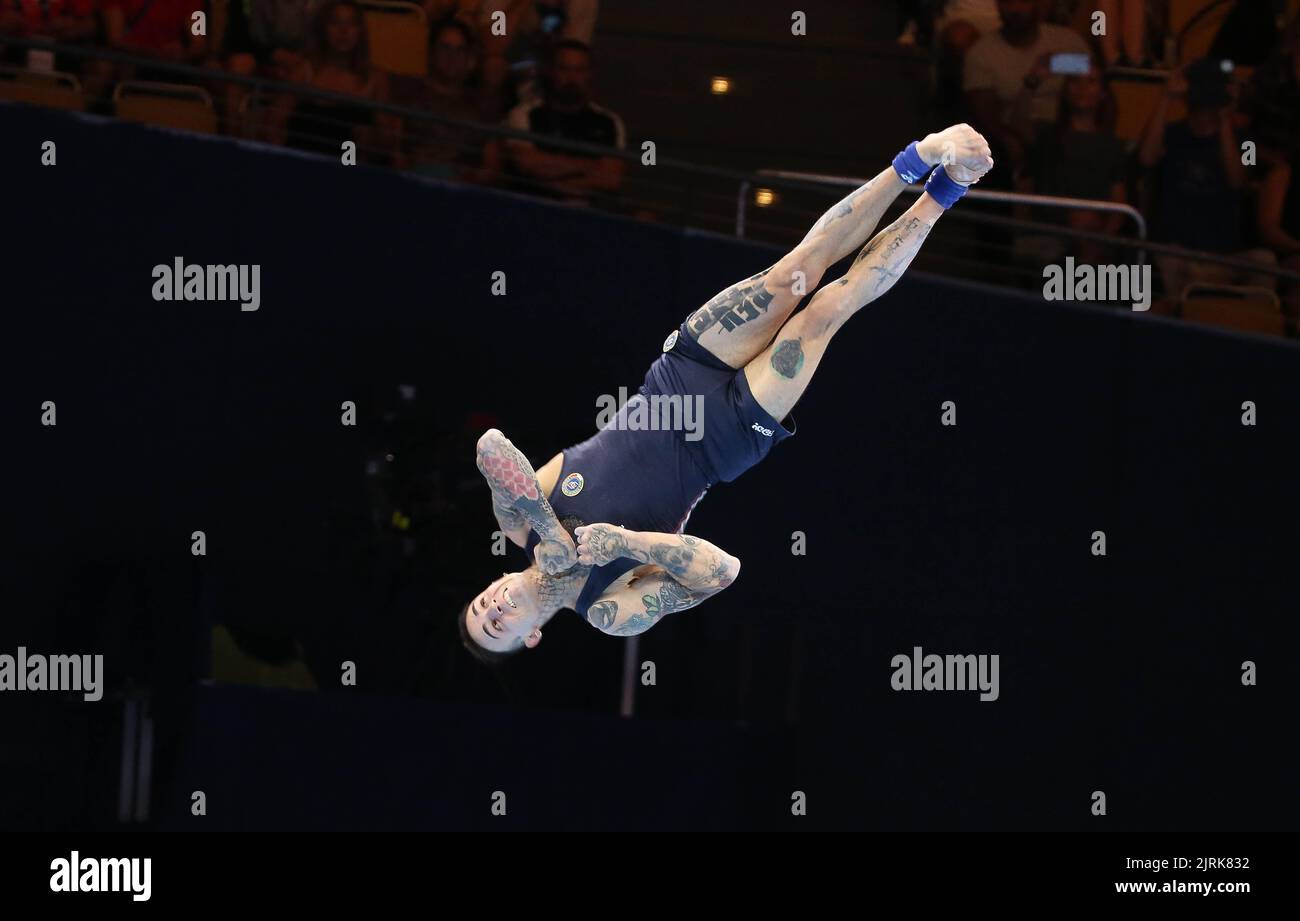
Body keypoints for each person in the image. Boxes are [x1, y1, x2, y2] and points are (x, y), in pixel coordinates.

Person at [457, 124, 994, 660]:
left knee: (796, 272)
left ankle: (919, 155)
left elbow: (491, 446)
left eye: (482, 606)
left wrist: (551, 535)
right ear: (531, 637)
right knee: (827, 312)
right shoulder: (607, 609)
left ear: (491, 581)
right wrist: (623, 543)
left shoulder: (520, 522)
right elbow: (721, 573)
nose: (495, 611)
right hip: (727, 441)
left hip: (677, 380)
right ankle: (947, 188)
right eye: (497, 629)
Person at [499, 38, 624, 205]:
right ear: (551, 72)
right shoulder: (524, 114)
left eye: (579, 70)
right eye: (564, 68)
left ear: (589, 74)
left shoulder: (609, 122)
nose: (572, 78)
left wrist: (553, 181)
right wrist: (591, 165)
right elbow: (528, 163)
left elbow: (611, 178)